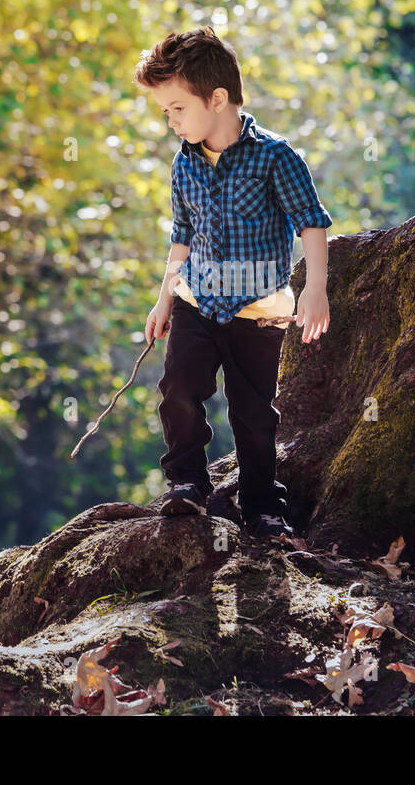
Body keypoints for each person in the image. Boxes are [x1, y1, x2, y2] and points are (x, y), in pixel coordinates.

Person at [133, 27, 332, 539]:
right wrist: (164, 300)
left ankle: (263, 506)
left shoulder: (276, 156)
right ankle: (187, 485)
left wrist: (314, 289)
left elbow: (311, 221)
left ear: (217, 98)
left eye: (178, 108)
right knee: (178, 389)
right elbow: (183, 233)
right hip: (197, 300)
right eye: (166, 113)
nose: (172, 122)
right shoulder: (185, 162)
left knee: (253, 414)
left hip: (258, 310)